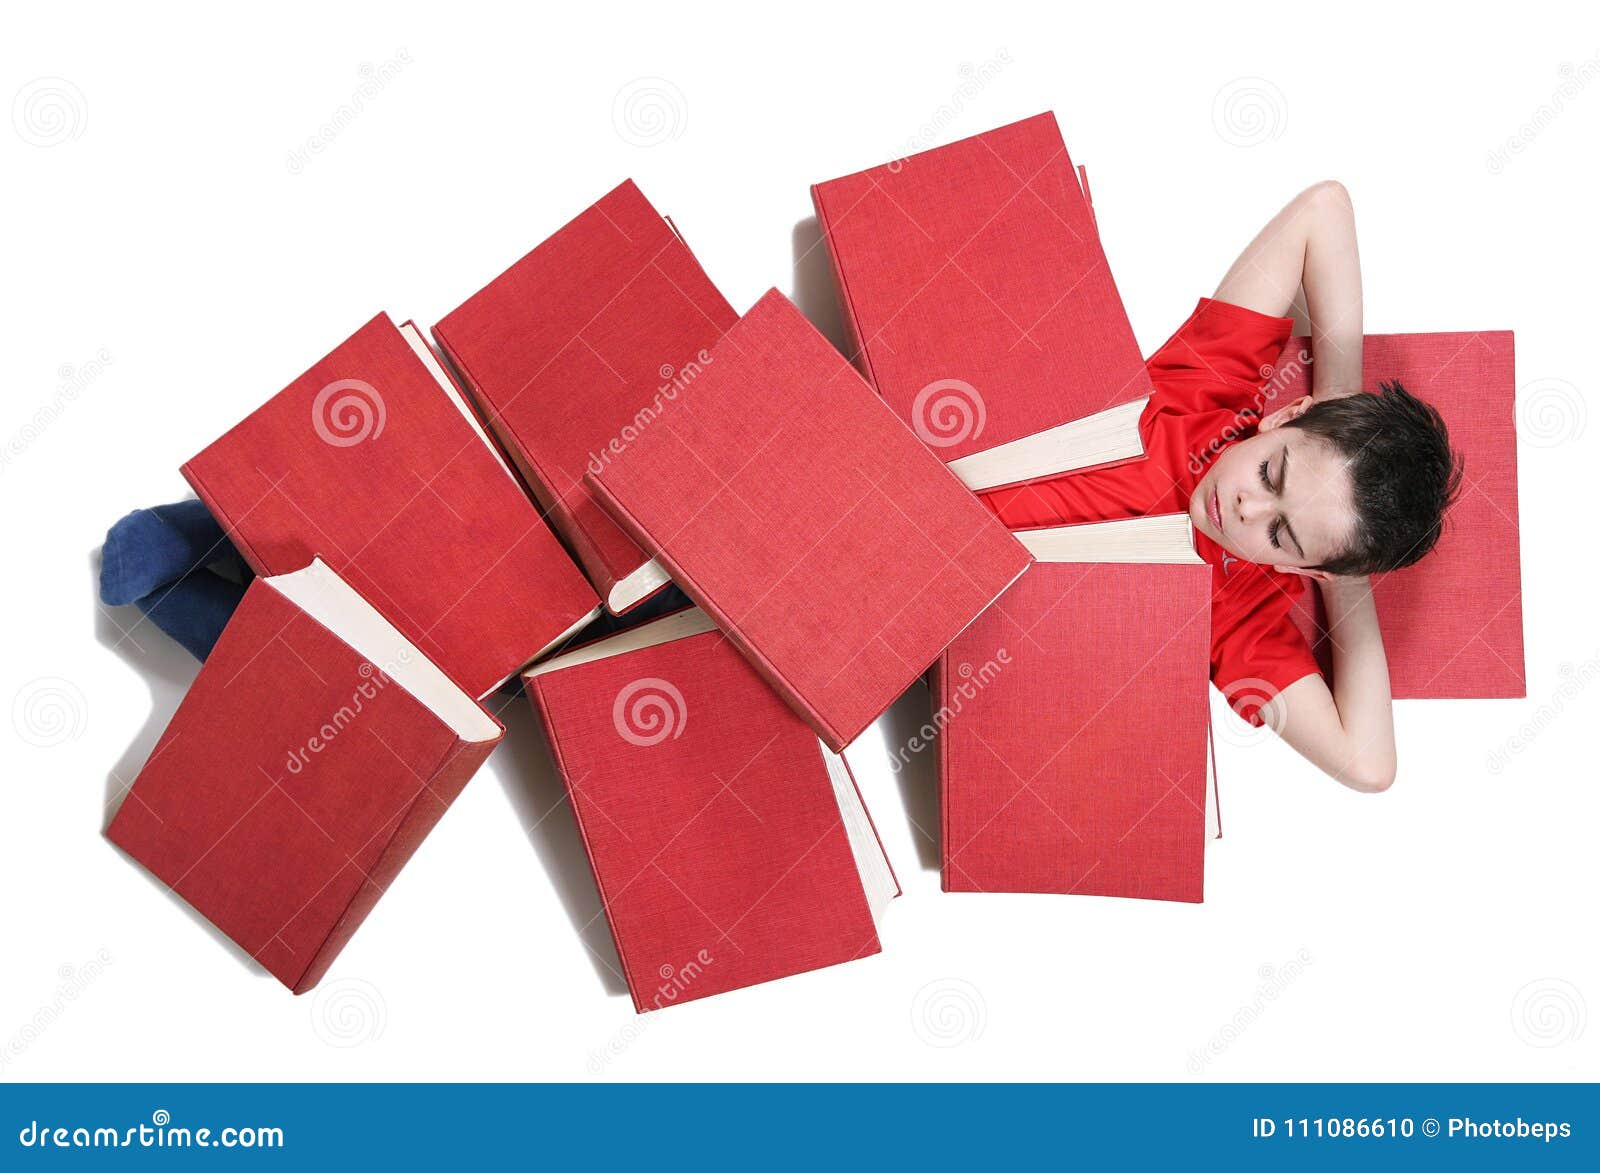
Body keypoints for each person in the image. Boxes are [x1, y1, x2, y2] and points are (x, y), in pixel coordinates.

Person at [978, 181, 1461, 793]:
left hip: (923, 609)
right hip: (903, 456)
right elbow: (1325, 208)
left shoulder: (1241, 616)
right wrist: (1339, 399)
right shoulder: (1207, 390)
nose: (1245, 508)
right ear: (1285, 418)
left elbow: (1369, 765)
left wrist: (1345, 576)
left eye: (1281, 533)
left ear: (1311, 569)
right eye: (1271, 472)